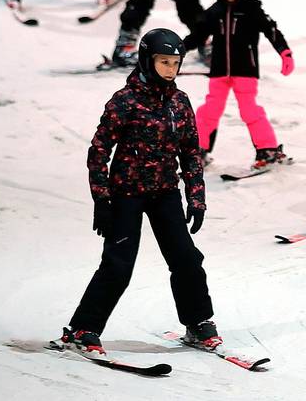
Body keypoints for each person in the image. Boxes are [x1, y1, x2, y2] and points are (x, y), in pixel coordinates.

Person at [60, 28, 220, 354]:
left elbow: (190, 151)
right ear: (148, 61)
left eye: (175, 63)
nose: (170, 69)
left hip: (164, 192)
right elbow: (99, 151)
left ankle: (198, 322)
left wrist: (196, 197)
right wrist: (101, 199)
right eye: (164, 62)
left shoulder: (179, 102)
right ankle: (82, 329)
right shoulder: (125, 101)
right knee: (118, 265)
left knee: (187, 259)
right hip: (126, 194)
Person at [183, 0, 294, 169]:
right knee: (209, 111)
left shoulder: (252, 8)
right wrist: (178, 50)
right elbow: (197, 35)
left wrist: (284, 52)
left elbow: (271, 30)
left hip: (245, 70)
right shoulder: (214, 12)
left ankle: (268, 149)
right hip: (218, 72)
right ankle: (197, 150)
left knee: (250, 110)